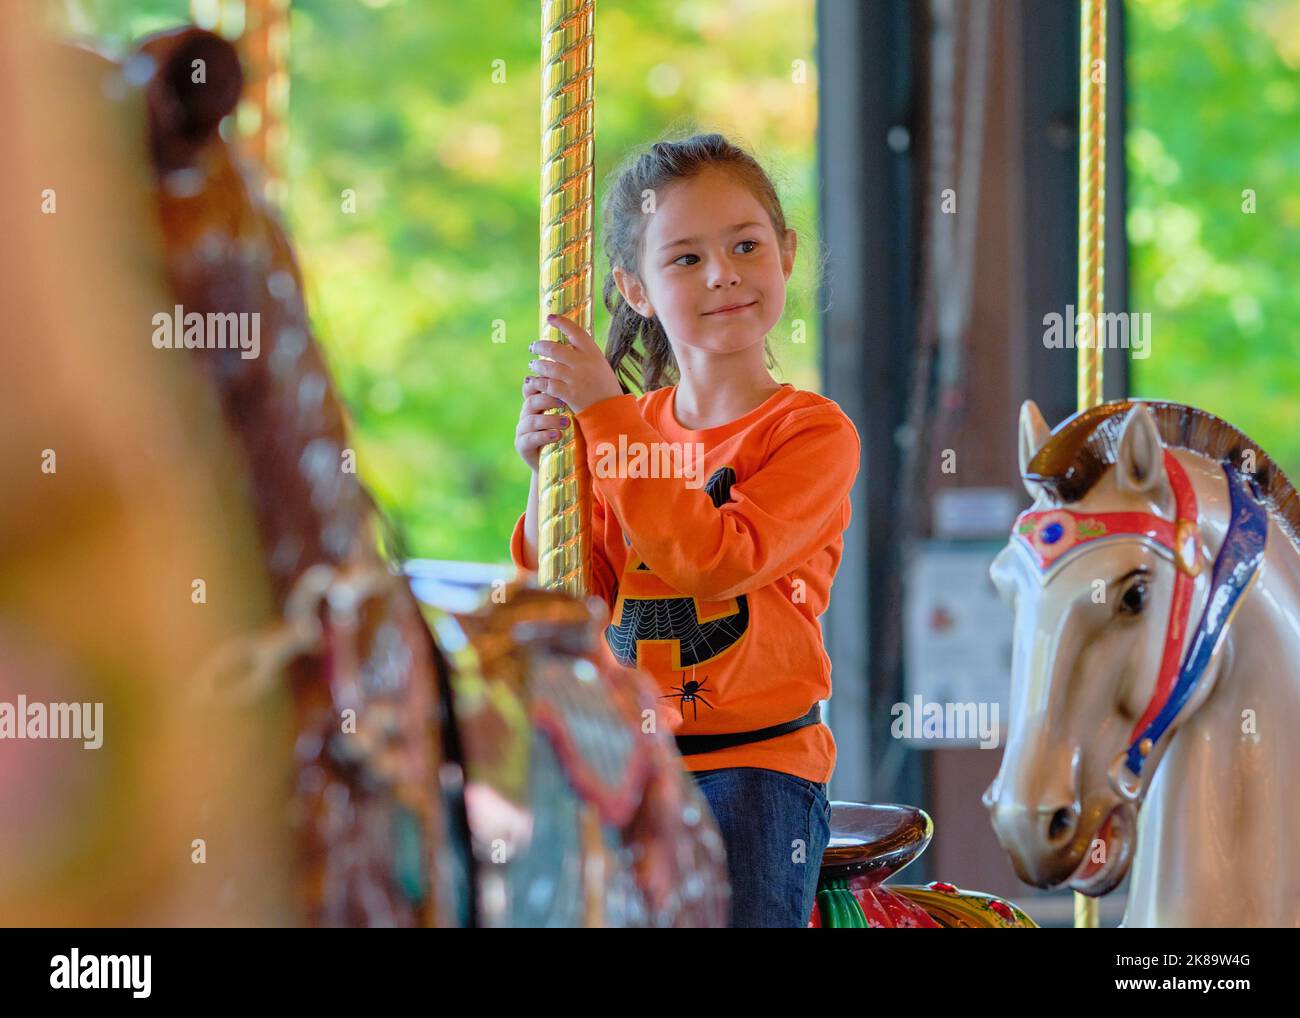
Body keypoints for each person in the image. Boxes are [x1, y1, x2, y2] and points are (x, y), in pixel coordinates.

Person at [509, 133, 860, 927]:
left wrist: (603, 416)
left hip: (754, 765)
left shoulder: (810, 433)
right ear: (635, 288)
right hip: (622, 757)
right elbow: (573, 597)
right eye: (685, 259)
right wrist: (547, 475)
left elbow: (714, 559)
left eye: (744, 245)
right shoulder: (620, 430)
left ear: (786, 253)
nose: (724, 273)